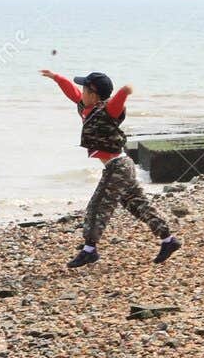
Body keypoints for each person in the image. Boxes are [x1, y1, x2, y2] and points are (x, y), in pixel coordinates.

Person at [40, 67, 182, 269]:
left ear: (93, 94)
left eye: (84, 90)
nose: (80, 93)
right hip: (123, 166)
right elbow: (72, 92)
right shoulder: (85, 107)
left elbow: (117, 103)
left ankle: (89, 250)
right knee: (137, 204)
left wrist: (125, 90)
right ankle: (169, 240)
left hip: (118, 167)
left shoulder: (108, 110)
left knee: (97, 206)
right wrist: (57, 78)